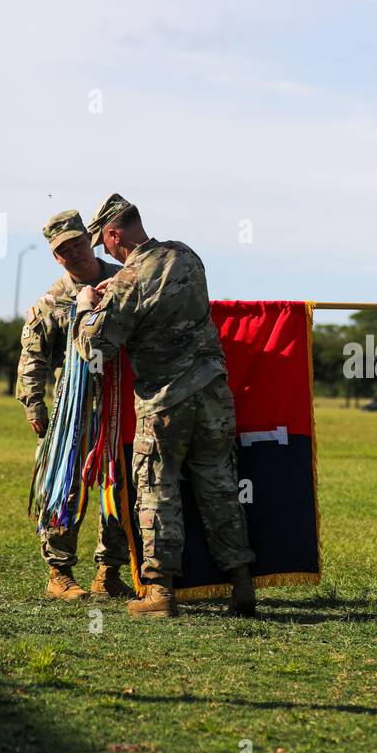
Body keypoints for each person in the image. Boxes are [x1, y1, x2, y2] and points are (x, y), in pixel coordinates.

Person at [74, 195, 255, 620]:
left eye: (105, 243)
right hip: (214, 394)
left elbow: (96, 347)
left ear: (115, 233)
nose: (107, 252)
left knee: (158, 489)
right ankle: (242, 582)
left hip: (165, 401)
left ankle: (159, 592)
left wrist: (86, 306)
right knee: (219, 487)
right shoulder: (187, 255)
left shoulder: (129, 278)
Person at [16, 210, 132, 602]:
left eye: (78, 243)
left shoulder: (125, 279)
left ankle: (109, 572)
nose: (74, 253)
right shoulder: (52, 301)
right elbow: (33, 358)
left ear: (91, 239)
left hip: (125, 403)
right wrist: (34, 403)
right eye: (64, 250)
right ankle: (59, 572)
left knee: (120, 485)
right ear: (56, 257)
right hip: (75, 406)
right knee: (67, 483)